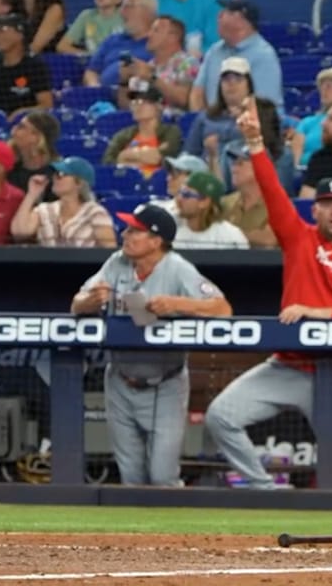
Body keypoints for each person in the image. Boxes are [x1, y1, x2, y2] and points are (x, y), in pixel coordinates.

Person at [204, 98, 332, 491]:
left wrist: (313, 311)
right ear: (315, 210)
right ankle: (264, 489)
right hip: (288, 365)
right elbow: (272, 193)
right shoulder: (299, 239)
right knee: (221, 415)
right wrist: (254, 143)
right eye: (326, 205)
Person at [71, 202, 231, 487]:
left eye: (136, 231)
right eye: (128, 228)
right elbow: (76, 303)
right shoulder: (116, 262)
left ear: (156, 241)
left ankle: (176, 533)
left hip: (165, 383)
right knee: (131, 476)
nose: (126, 235)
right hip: (120, 379)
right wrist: (91, 301)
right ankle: (138, 534)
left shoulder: (178, 269)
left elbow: (222, 309)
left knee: (162, 477)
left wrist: (176, 303)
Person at [11, 157, 116, 248]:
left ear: (79, 183)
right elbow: (20, 232)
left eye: (61, 175)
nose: (55, 178)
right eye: (55, 174)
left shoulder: (95, 213)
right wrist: (32, 194)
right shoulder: (45, 210)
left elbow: (109, 251)